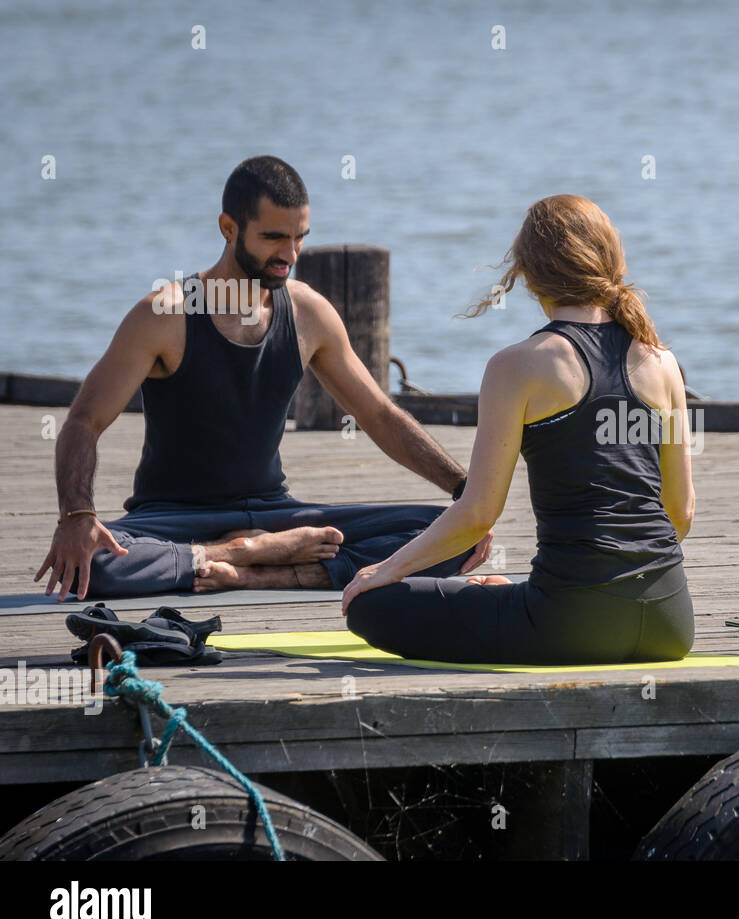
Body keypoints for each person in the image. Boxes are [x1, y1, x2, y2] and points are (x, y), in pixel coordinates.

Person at [35, 156, 491, 602]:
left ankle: (267, 574)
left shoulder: (309, 312)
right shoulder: (165, 315)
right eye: (274, 238)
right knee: (92, 561)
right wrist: (77, 515)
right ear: (228, 228)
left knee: (455, 536)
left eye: (299, 238)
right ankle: (235, 554)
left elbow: (379, 414)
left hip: (276, 516)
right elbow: (83, 421)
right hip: (173, 518)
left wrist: (467, 493)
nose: (289, 255)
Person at [342, 194, 695, 665]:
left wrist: (384, 571)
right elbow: (681, 511)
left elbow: (478, 515)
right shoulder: (663, 363)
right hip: (670, 622)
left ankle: (532, 599)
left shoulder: (516, 366)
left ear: (527, 274)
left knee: (371, 606)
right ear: (614, 263)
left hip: (568, 624)